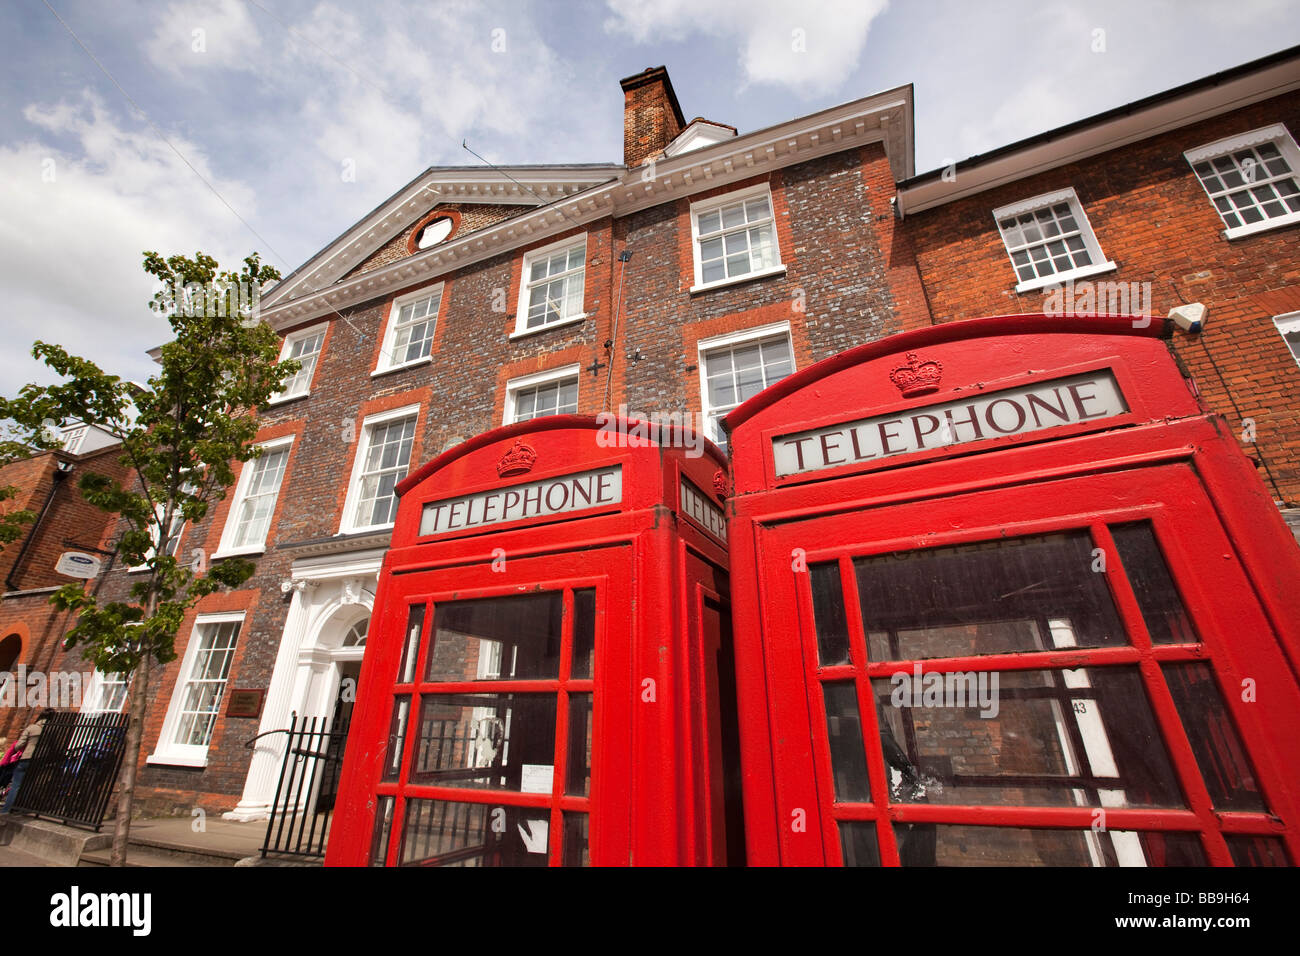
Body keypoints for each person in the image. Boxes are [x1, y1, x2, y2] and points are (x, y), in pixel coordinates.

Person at [0, 710, 53, 814]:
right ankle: (21, 809)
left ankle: (7, 810)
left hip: (26, 758)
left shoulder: (32, 728)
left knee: (16, 785)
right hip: (39, 760)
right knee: (29, 785)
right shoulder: (52, 731)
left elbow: (18, 745)